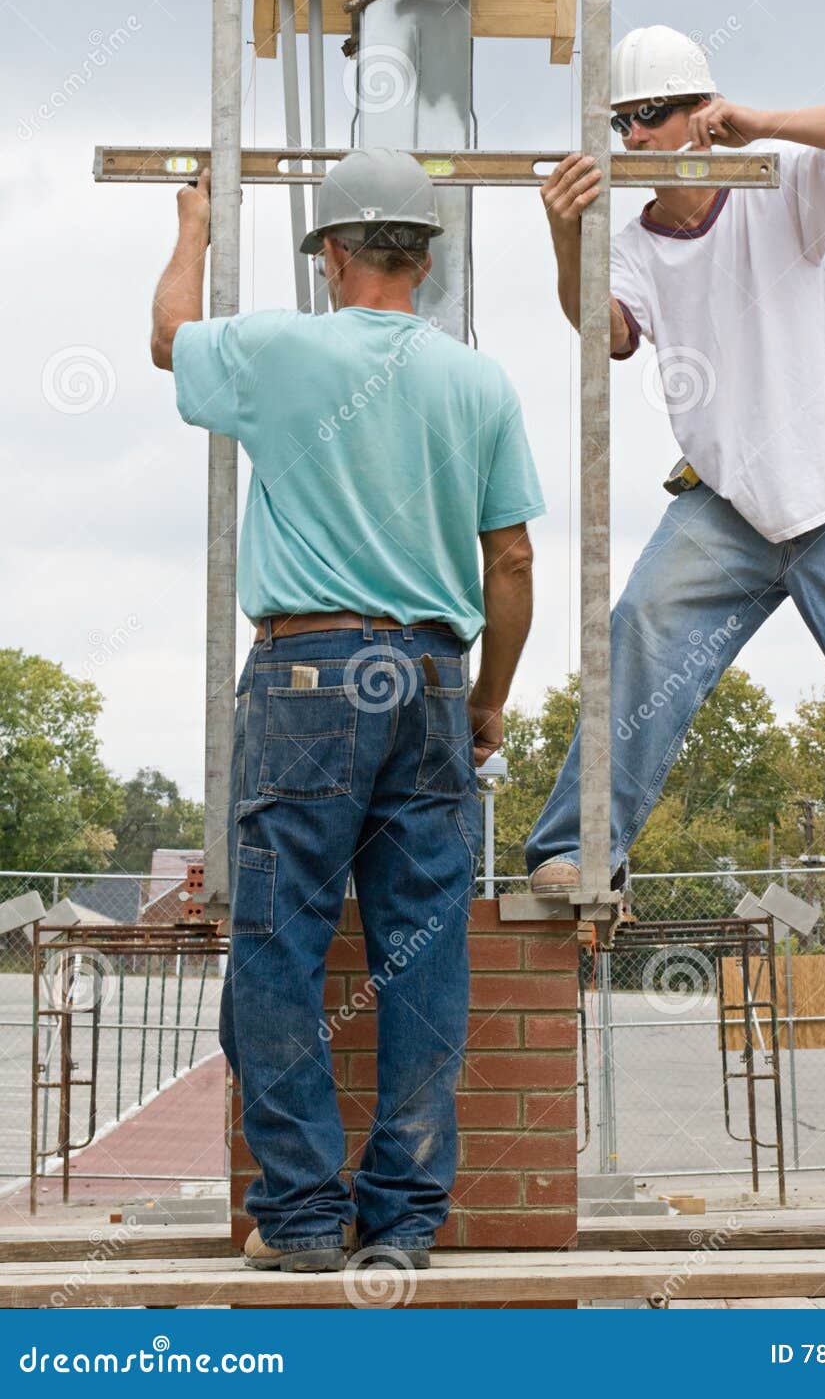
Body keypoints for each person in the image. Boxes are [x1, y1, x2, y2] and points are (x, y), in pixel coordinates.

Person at [525, 24, 825, 980]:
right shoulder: (630, 246)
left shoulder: (777, 184)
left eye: (647, 115)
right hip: (730, 503)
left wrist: (764, 121)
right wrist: (562, 233)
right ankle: (579, 848)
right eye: (620, 123)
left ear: (698, 114)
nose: (633, 135)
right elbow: (603, 334)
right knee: (640, 633)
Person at [151, 149, 543, 1271]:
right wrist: (487, 699)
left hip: (307, 675)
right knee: (423, 954)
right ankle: (404, 1221)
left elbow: (168, 339)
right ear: (427, 257)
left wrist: (194, 228)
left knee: (279, 945)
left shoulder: (279, 350)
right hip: (428, 679)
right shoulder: (478, 382)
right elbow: (512, 560)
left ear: (329, 253)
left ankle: (305, 1218)